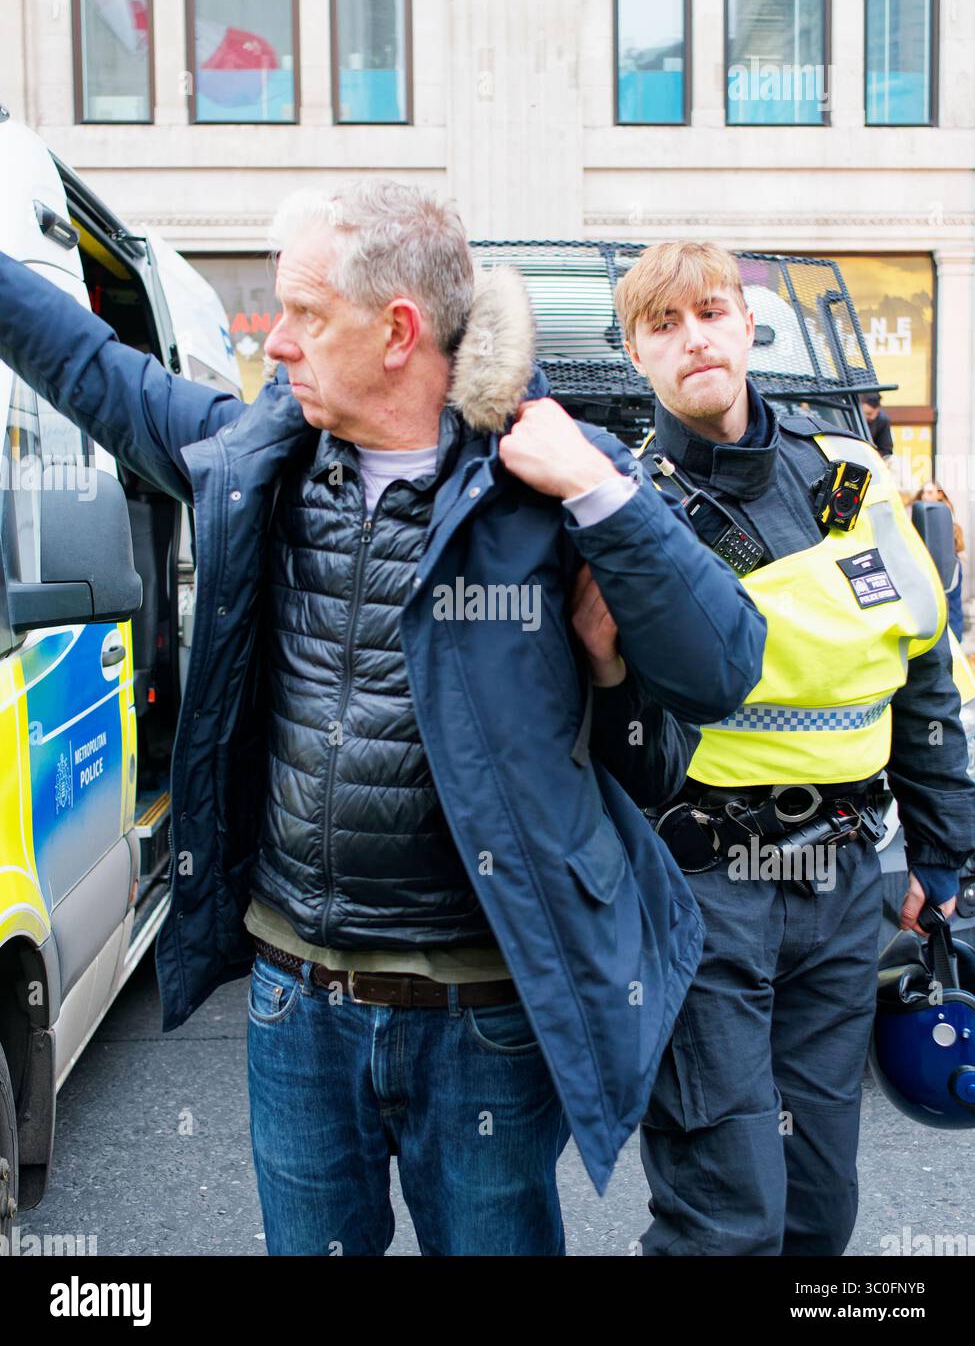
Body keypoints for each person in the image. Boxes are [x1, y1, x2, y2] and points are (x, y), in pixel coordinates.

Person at [0, 189, 765, 1256]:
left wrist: (600, 488)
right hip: (295, 1011)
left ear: (398, 331)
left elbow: (723, 664)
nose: (275, 341)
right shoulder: (257, 458)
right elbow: (92, 371)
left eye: (305, 315)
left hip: (485, 1022)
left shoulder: (547, 476)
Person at [579, 240, 975, 1256]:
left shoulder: (850, 475)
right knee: (727, 1214)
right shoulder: (625, 508)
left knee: (815, 1207)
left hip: (845, 882)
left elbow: (922, 664)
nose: (693, 338)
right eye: (662, 325)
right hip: (703, 891)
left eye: (709, 312)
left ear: (748, 327)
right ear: (636, 355)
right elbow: (608, 738)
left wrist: (940, 853)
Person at [913, 481, 965, 642]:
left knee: (951, 609)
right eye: (924, 492)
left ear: (939, 494)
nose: (925, 495)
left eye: (930, 492)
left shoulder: (945, 514)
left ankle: (955, 642)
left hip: (946, 567)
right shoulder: (917, 512)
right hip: (926, 567)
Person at [861, 390, 896, 471]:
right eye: (868, 414)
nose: (872, 417)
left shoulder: (882, 420)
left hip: (873, 464)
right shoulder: (845, 418)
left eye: (876, 413)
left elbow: (886, 450)